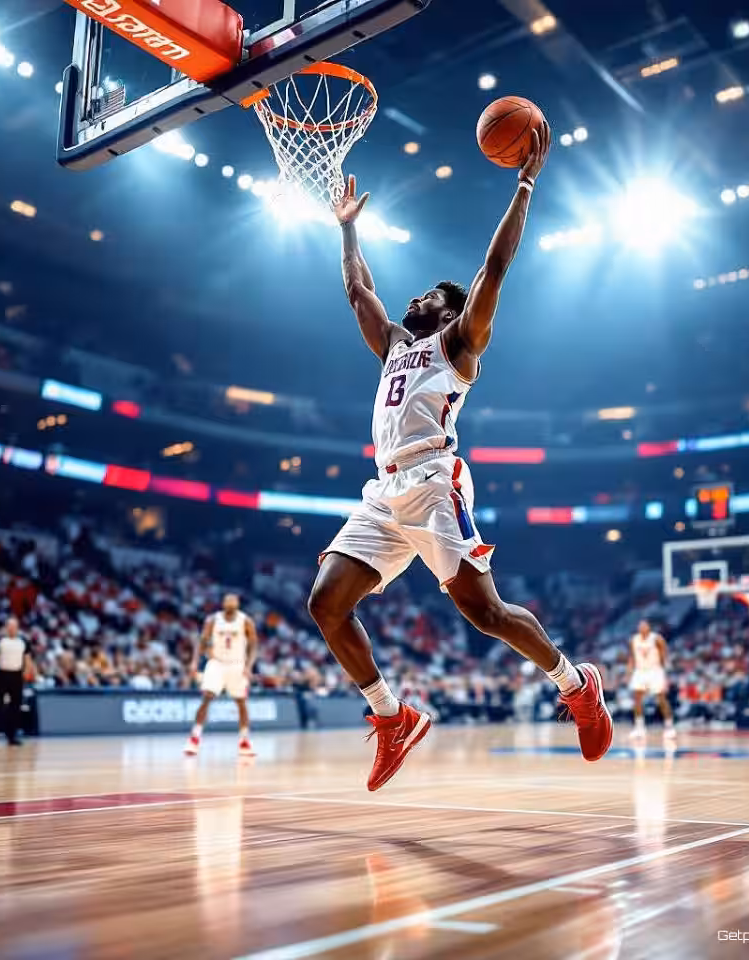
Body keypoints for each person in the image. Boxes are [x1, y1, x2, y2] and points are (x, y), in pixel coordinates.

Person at [307, 123, 613, 792]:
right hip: (383, 492)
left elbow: (493, 271)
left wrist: (526, 184)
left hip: (433, 480)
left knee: (486, 614)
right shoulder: (392, 344)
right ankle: (392, 716)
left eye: (432, 297)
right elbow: (360, 293)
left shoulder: (457, 346)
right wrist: (347, 229)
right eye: (418, 295)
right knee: (326, 604)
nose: (418, 297)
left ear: (450, 313)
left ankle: (577, 684)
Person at [185, 594, 258, 758]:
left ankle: (244, 740)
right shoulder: (213, 619)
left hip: (237, 664)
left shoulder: (245, 621)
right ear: (223, 603)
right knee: (207, 696)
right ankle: (194, 737)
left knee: (241, 702)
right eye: (228, 600)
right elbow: (202, 641)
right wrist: (195, 662)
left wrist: (249, 666)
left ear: (238, 604)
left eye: (234, 600)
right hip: (217, 663)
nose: (231, 603)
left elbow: (254, 645)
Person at [0, 617, 34, 746]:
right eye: (10, 626)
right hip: (2, 674)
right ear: (6, 627)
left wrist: (25, 673)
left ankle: (12, 736)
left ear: (17, 628)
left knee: (15, 707)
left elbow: (28, 659)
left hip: (16, 675)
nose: (12, 628)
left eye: (14, 626)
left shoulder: (23, 641)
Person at [628, 620, 676, 742]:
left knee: (661, 698)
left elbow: (664, 655)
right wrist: (629, 671)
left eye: (645, 625)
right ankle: (639, 728)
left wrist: (665, 673)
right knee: (637, 698)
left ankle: (669, 727)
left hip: (655, 670)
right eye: (640, 625)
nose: (642, 627)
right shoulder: (634, 639)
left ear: (649, 627)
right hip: (640, 671)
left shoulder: (657, 639)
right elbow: (632, 657)